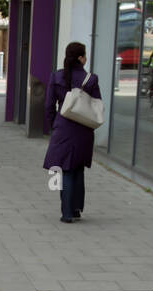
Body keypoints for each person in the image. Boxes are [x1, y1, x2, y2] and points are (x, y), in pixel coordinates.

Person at [43, 41, 102, 223]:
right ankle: (76, 209)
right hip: (83, 129)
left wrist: (55, 124)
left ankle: (66, 212)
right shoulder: (90, 79)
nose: (86, 58)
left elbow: (48, 106)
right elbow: (97, 105)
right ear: (80, 58)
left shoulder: (57, 77)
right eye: (85, 55)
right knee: (77, 168)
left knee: (65, 169)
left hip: (63, 128)